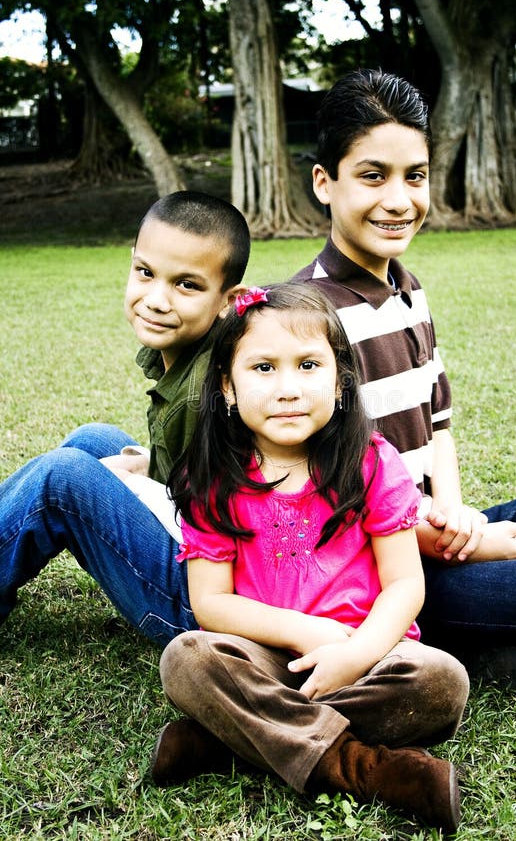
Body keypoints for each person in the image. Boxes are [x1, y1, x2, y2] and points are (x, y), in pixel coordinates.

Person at [291, 68, 516, 715]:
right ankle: (501, 637)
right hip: (391, 580)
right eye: (373, 176)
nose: (399, 199)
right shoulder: (300, 318)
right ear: (324, 182)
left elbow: (438, 426)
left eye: (415, 176)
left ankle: (514, 630)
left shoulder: (410, 291)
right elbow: (326, 497)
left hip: (443, 538)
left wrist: (458, 517)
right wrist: (466, 544)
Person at [152, 283, 469, 833]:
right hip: (266, 658)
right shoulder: (211, 479)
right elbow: (211, 603)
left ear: (341, 381)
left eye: (307, 365)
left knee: (442, 681)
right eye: (263, 368)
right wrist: (304, 632)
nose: (288, 389)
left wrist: (355, 653)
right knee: (187, 659)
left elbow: (404, 584)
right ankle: (365, 768)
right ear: (227, 386)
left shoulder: (372, 463)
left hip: (365, 656)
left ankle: (229, 739)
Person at [0, 190, 250, 647]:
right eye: (146, 273)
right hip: (197, 537)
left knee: (64, 476)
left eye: (186, 285)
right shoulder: (194, 352)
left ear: (227, 300)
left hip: (203, 602)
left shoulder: (207, 391)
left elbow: (220, 519)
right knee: (94, 439)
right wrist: (143, 469)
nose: (156, 300)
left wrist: (129, 485)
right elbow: (197, 480)